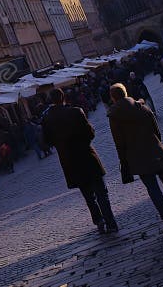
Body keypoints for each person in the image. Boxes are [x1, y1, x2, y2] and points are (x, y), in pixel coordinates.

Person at [42, 89, 119, 234]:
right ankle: (111, 223)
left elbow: (46, 142)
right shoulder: (76, 112)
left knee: (88, 196)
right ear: (63, 97)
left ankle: (99, 221)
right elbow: (90, 133)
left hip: (70, 162)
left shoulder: (47, 120)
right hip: (86, 156)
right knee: (101, 193)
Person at [107, 84, 163, 227]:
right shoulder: (141, 107)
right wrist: (156, 144)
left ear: (113, 98)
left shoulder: (114, 116)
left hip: (137, 156)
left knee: (152, 187)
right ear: (125, 92)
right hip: (154, 149)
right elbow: (156, 129)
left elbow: (119, 142)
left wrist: (123, 160)